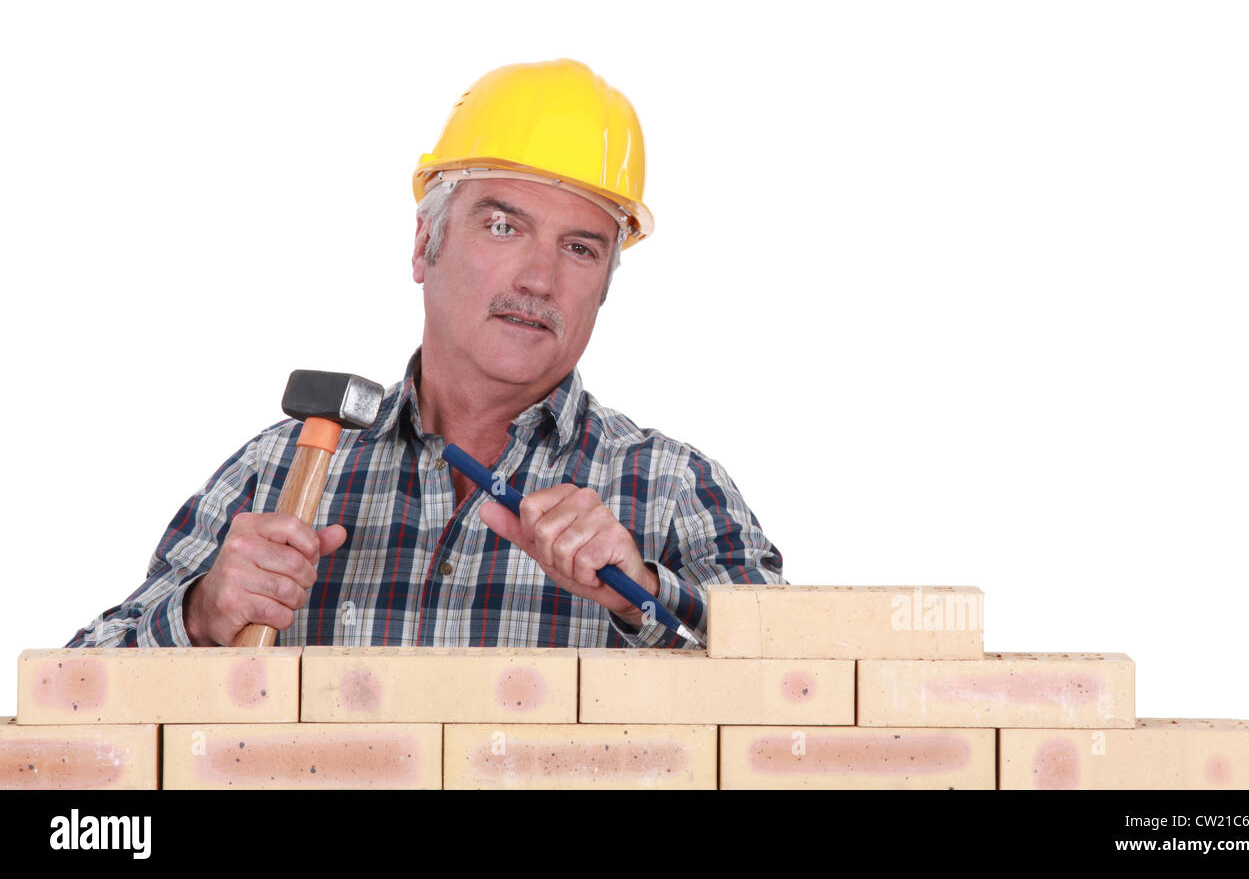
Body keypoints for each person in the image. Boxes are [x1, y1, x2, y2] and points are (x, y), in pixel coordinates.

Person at [66, 58, 785, 650]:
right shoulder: (280, 472)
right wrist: (199, 616)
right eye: (503, 225)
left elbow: (801, 690)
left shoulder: (670, 487)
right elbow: (76, 691)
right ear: (423, 245)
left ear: (604, 285)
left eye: (579, 248)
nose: (539, 279)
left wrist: (644, 595)